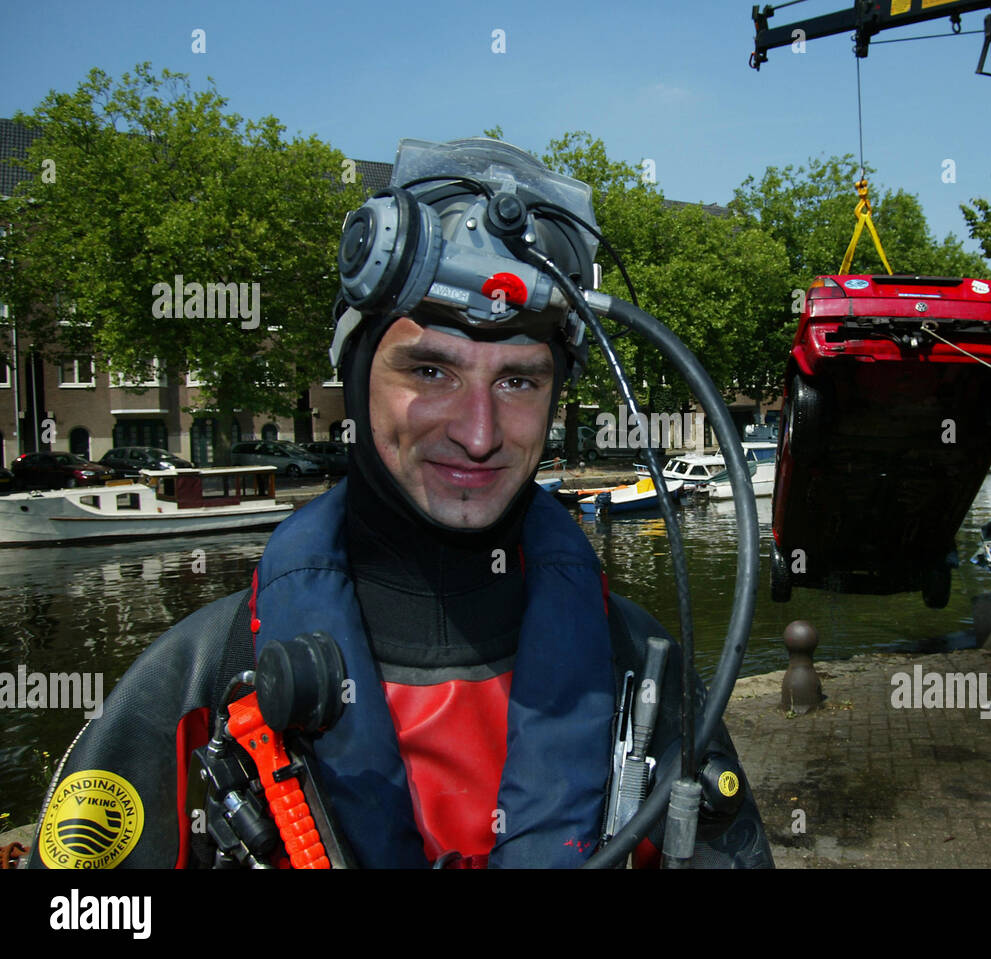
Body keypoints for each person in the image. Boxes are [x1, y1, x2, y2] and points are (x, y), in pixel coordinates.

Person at [28, 138, 772, 870]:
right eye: (430, 369)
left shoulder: (641, 672)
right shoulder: (193, 691)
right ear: (354, 377)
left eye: (518, 381)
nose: (478, 434)